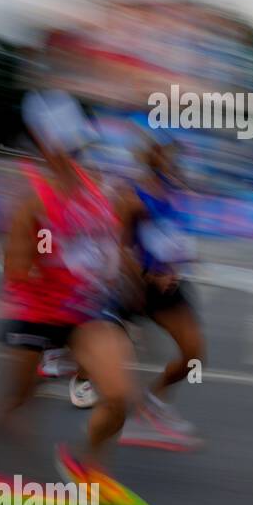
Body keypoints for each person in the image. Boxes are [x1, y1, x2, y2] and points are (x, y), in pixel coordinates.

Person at [0, 90, 151, 505]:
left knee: (119, 396)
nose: (73, 151)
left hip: (85, 313)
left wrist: (124, 271)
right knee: (17, 402)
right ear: (45, 143)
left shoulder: (95, 186)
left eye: (76, 143)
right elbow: (17, 269)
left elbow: (110, 241)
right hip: (37, 312)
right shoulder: (29, 192)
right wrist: (55, 259)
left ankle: (88, 467)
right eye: (64, 143)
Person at [71, 126, 204, 451]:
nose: (173, 158)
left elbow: (173, 233)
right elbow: (117, 245)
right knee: (109, 347)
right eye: (165, 151)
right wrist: (145, 274)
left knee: (193, 356)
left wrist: (175, 264)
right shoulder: (131, 195)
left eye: (174, 152)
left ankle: (151, 406)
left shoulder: (175, 189)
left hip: (169, 287)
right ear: (151, 155)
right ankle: (82, 376)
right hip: (134, 287)